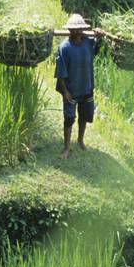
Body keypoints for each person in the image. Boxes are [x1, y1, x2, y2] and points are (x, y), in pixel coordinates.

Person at [54, 13, 105, 160]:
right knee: (69, 118)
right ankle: (66, 148)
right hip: (71, 89)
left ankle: (80, 140)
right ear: (69, 30)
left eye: (79, 29)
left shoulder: (88, 42)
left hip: (86, 86)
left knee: (84, 115)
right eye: (73, 30)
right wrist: (65, 92)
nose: (76, 32)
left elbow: (96, 51)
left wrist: (99, 38)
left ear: (83, 30)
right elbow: (60, 73)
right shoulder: (64, 47)